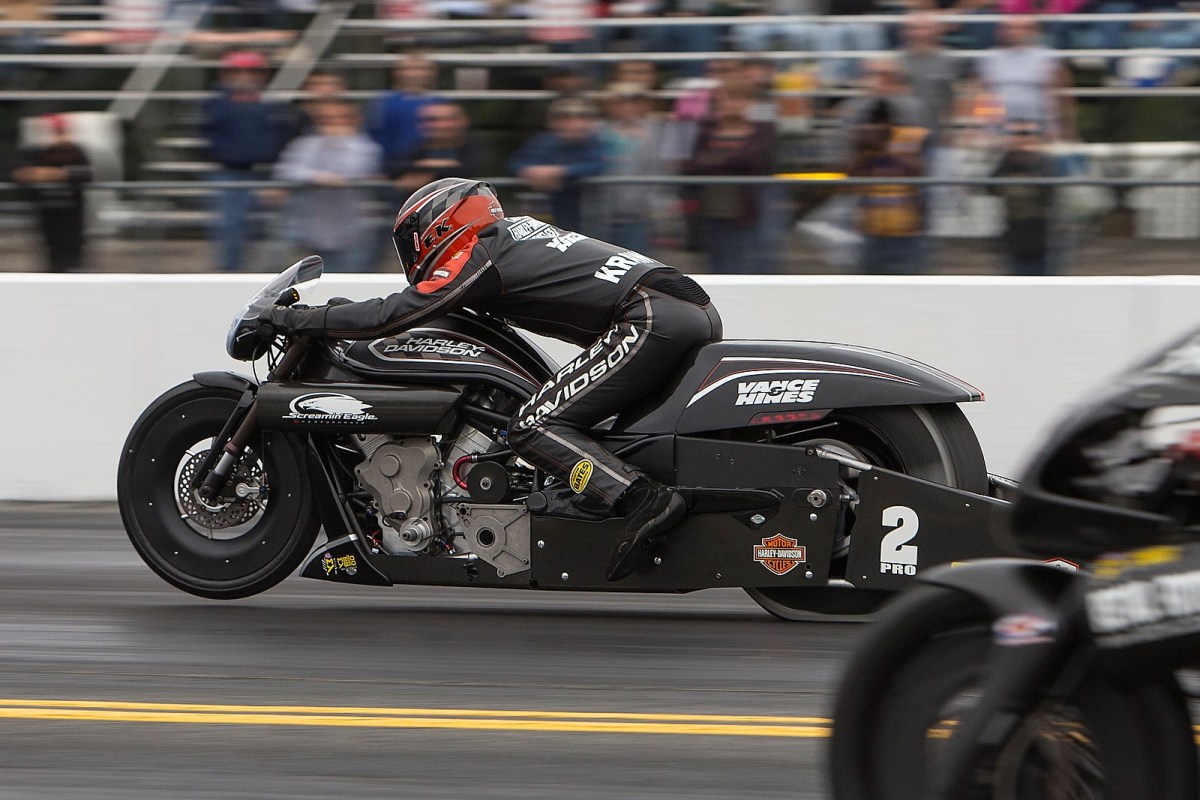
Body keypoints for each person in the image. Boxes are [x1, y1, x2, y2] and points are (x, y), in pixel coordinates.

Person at [257, 178, 723, 581]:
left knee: (532, 425)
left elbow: (398, 312)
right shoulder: (509, 237)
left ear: (438, 225)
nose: (411, 256)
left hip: (648, 316)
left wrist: (303, 319)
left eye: (411, 242)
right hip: (675, 307)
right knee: (587, 426)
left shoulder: (477, 250)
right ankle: (595, 502)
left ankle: (641, 498)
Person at [201, 49, 291, 272]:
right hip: (232, 173)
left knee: (269, 231)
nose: (244, 76)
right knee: (231, 228)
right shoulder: (218, 104)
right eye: (238, 71)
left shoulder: (270, 105)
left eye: (251, 71)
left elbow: (278, 140)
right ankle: (229, 273)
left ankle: (268, 278)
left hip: (266, 174)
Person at [273, 100, 384, 272]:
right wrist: (318, 177)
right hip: (311, 233)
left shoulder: (366, 147)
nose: (333, 124)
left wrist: (336, 145)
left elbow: (355, 170)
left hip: (352, 234)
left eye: (340, 118)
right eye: (326, 119)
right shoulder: (305, 144)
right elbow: (288, 171)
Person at [509, 96, 607, 234]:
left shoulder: (599, 141)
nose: (573, 123)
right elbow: (516, 164)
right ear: (552, 122)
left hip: (591, 214)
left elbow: (598, 166)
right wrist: (531, 172)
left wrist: (560, 172)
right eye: (565, 118)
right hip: (546, 211)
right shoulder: (542, 142)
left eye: (581, 117)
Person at [12, 114, 92, 272]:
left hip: (71, 216)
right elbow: (21, 174)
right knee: (51, 257)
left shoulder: (75, 152)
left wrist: (48, 175)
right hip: (47, 216)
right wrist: (60, 175)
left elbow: (86, 174)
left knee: (73, 257)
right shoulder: (37, 152)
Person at [990, 119, 1057, 275]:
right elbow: (991, 187)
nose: (1019, 138)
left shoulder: (1043, 161)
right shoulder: (1007, 160)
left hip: (1039, 232)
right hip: (1014, 231)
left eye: (1025, 134)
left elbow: (1047, 192)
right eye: (1015, 134)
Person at [391, 100, 490, 194]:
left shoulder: (478, 146)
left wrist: (428, 175)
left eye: (447, 119)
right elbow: (393, 168)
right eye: (431, 120)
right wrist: (443, 166)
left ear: (464, 121)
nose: (439, 125)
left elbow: (470, 170)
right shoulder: (414, 148)